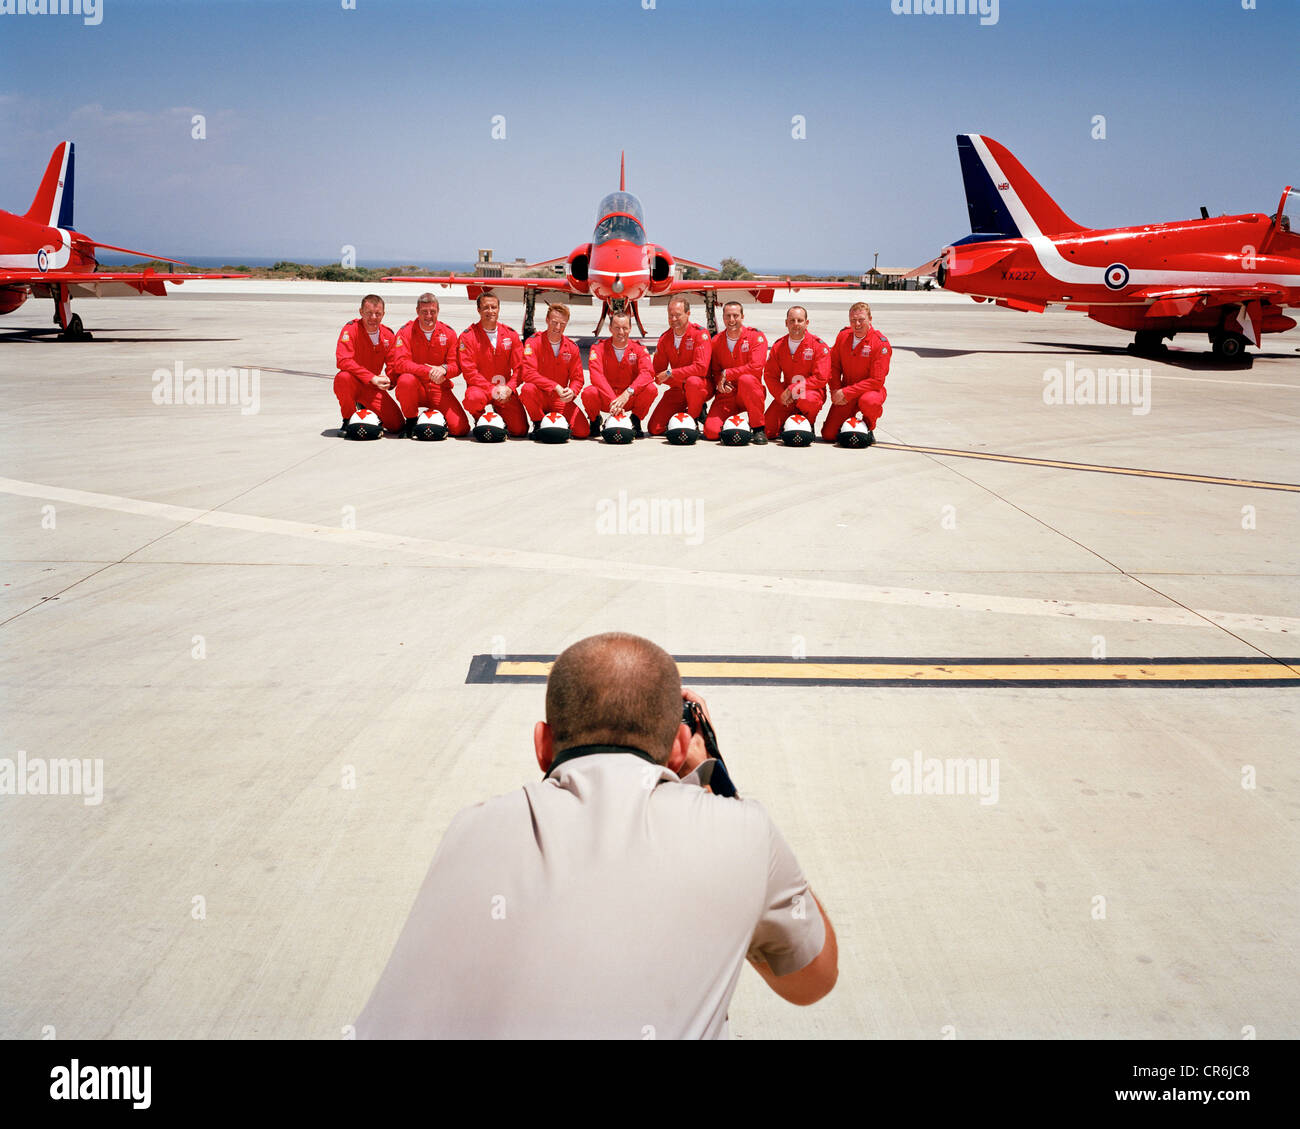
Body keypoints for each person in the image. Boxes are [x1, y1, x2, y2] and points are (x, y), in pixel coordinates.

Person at [355, 632, 838, 1039]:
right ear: (678, 747)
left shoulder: (471, 828)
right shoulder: (741, 830)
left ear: (543, 745)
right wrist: (718, 782)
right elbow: (811, 982)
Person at [390, 293, 470, 438]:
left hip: (439, 387)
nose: (428, 316)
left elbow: (456, 365)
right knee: (406, 379)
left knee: (460, 429)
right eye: (424, 312)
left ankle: (438, 419)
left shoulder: (449, 333)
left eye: (432, 312)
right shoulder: (405, 332)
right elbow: (400, 363)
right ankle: (411, 421)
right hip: (416, 388)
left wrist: (444, 370)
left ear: (438, 311)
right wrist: (429, 370)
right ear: (417, 311)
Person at [457, 293, 528, 437]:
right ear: (478, 310)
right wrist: (493, 390)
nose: (490, 311)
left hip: (505, 391)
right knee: (472, 399)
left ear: (499, 309)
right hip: (480, 390)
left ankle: (501, 416)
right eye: (485, 308)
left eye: (494, 307)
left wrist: (510, 388)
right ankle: (480, 419)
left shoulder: (511, 335)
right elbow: (469, 372)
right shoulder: (467, 336)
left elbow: (520, 368)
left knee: (520, 431)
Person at [517, 303, 590, 438]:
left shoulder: (572, 348)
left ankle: (557, 421)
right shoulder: (533, 342)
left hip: (560, 399)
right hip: (540, 396)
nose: (558, 327)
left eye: (562, 324)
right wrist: (554, 386)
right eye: (554, 322)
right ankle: (539, 423)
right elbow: (528, 373)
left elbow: (578, 378)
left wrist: (572, 391)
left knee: (582, 432)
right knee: (527, 389)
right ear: (547, 320)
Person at [821, 301, 891, 443]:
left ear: (870, 319)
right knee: (829, 435)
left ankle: (869, 426)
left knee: (869, 402)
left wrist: (846, 393)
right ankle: (849, 421)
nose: (857, 324)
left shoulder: (880, 343)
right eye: (853, 320)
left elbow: (877, 381)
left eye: (861, 320)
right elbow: (834, 366)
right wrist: (835, 390)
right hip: (845, 390)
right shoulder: (843, 337)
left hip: (870, 391)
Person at [646, 297, 714, 437]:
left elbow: (701, 368)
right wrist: (677, 379)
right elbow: (658, 373)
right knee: (655, 428)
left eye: (678, 315)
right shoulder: (665, 338)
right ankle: (688, 411)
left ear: (688, 314)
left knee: (693, 382)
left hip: (701, 386)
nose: (674, 318)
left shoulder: (700, 334)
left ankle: (692, 419)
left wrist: (671, 373)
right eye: (671, 315)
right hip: (678, 388)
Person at [333, 294, 400, 433]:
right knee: (342, 377)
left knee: (397, 425)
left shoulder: (388, 335)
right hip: (354, 382)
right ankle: (348, 419)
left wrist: (390, 380)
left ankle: (367, 411)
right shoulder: (351, 330)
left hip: (373, 387)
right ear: (361, 312)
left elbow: (393, 364)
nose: (373, 318)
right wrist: (371, 377)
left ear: (383, 314)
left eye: (378, 314)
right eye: (369, 313)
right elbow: (343, 360)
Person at [582, 311, 656, 436]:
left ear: (630, 328)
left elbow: (647, 373)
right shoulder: (599, 348)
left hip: (628, 398)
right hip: (607, 400)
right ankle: (595, 420)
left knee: (651, 389)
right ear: (610, 328)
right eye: (617, 328)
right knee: (589, 393)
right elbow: (596, 375)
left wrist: (628, 392)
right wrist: (613, 400)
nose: (621, 332)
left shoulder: (639, 349)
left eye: (625, 328)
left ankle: (635, 420)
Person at [704, 301, 769, 444]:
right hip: (727, 394)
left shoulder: (756, 337)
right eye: (728, 316)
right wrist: (719, 384)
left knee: (747, 379)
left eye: (735, 316)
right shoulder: (716, 341)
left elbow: (756, 366)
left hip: (750, 392)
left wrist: (728, 373)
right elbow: (715, 370)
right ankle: (726, 419)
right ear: (723, 318)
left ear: (742, 316)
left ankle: (758, 428)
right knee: (711, 433)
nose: (731, 320)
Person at [762, 305, 830, 440]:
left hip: (810, 393)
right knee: (767, 431)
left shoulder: (818, 345)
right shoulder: (779, 346)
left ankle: (808, 423)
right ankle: (787, 421)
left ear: (807, 323)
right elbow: (770, 375)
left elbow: (821, 378)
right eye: (792, 320)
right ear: (786, 323)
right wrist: (780, 395)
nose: (796, 324)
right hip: (786, 396)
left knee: (807, 400)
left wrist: (794, 389)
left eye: (800, 320)